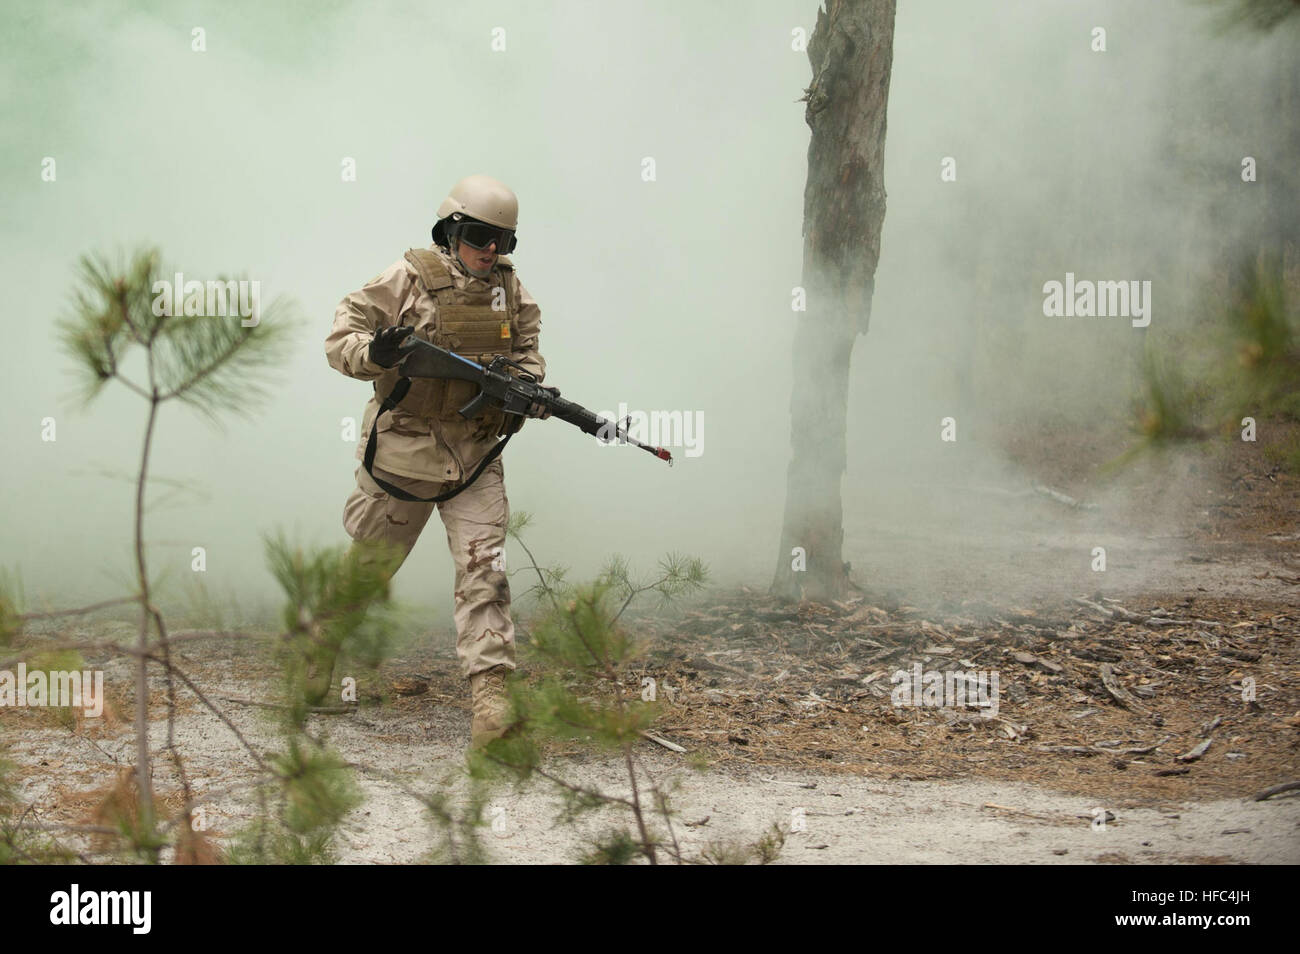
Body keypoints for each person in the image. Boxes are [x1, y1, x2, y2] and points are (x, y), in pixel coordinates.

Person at [323, 174, 548, 747]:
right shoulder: (406, 279)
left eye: (504, 241)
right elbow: (341, 337)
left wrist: (525, 387)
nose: (490, 251)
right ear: (450, 231)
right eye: (478, 236)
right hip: (403, 454)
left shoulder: (510, 292)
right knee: (367, 572)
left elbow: (527, 351)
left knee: (485, 574)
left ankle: (491, 703)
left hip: (474, 456)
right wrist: (375, 352)